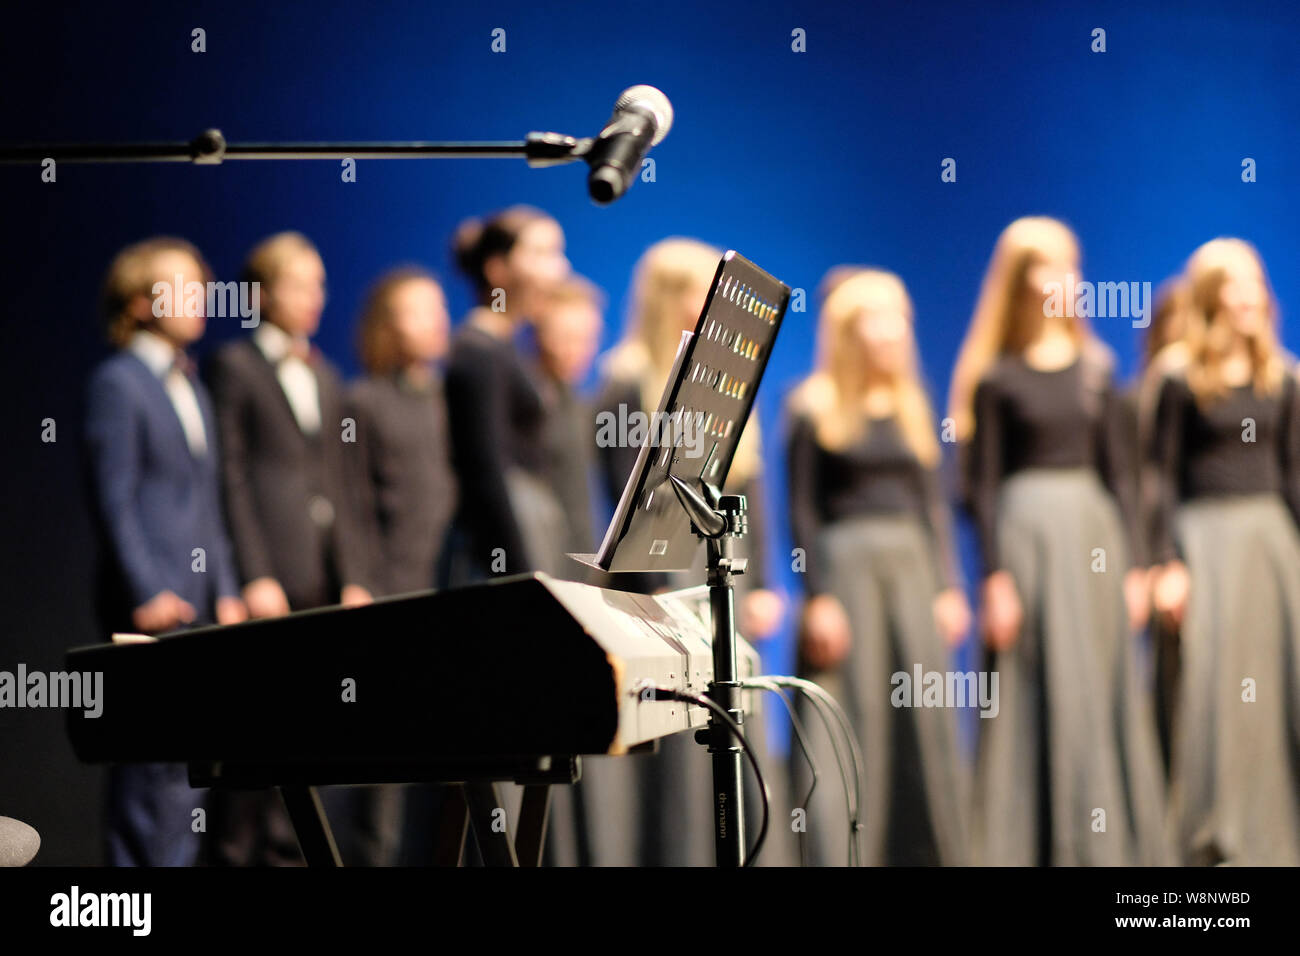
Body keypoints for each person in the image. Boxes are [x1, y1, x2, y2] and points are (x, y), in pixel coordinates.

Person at [948, 216, 1166, 866]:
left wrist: (1137, 566)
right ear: (1018, 282)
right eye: (1045, 267)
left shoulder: (1097, 370)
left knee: (1099, 682)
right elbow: (982, 488)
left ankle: (1107, 844)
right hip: (1028, 547)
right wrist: (994, 576)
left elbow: (1123, 477)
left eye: (1068, 265)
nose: (1060, 280)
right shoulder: (996, 379)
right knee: (1030, 684)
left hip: (1093, 542)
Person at [593, 237, 788, 866]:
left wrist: (762, 583)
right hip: (664, 582)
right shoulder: (626, 378)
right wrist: (656, 591)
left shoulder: (726, 379)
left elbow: (750, 490)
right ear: (666, 299)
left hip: (722, 568)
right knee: (683, 736)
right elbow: (629, 502)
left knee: (733, 714)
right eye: (699, 292)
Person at [787, 267, 971, 866]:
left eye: (899, 319)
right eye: (876, 318)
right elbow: (802, 510)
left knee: (920, 717)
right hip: (848, 575)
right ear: (847, 331)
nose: (891, 331)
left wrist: (948, 585)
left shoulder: (912, 405)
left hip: (912, 574)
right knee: (856, 709)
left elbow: (932, 506)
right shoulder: (812, 408)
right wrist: (817, 596)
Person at [206, 231, 374, 866]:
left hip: (318, 581)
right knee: (251, 742)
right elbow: (230, 475)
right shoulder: (236, 366)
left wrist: (354, 576)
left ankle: (288, 857)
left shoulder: (325, 375)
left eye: (319, 284)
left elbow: (340, 485)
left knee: (306, 741)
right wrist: (254, 572)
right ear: (263, 292)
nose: (315, 296)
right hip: (271, 577)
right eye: (299, 283)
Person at [85, 237, 246, 866]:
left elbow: (208, 503)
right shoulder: (119, 382)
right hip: (152, 606)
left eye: (200, 283)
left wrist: (226, 588)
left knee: (186, 776)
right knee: (146, 772)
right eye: (181, 285)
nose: (199, 296)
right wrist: (145, 589)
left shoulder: (191, 387)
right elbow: (114, 498)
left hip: (199, 607)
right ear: (138, 301)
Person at [1149, 238, 1300, 865]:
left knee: (1277, 684)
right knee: (1213, 690)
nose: (1249, 296)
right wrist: (1164, 562)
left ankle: (1278, 835)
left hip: (1270, 546)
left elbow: (1293, 475)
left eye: (1256, 282)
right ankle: (1214, 835)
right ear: (1211, 297)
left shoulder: (1284, 378)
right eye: (1235, 284)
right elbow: (1159, 477)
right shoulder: (1178, 378)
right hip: (1206, 545)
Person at [345, 265, 459, 866]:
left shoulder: (449, 399)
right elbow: (352, 503)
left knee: (449, 765)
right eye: (419, 311)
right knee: (387, 767)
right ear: (388, 325)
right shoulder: (364, 402)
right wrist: (359, 581)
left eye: (439, 309)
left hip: (452, 596)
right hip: (393, 597)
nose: (436, 323)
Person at [444, 206, 571, 581]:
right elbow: (486, 474)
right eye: (542, 253)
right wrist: (519, 572)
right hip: (504, 552)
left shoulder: (505, 347)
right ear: (497, 269)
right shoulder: (478, 352)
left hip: (530, 532)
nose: (559, 269)